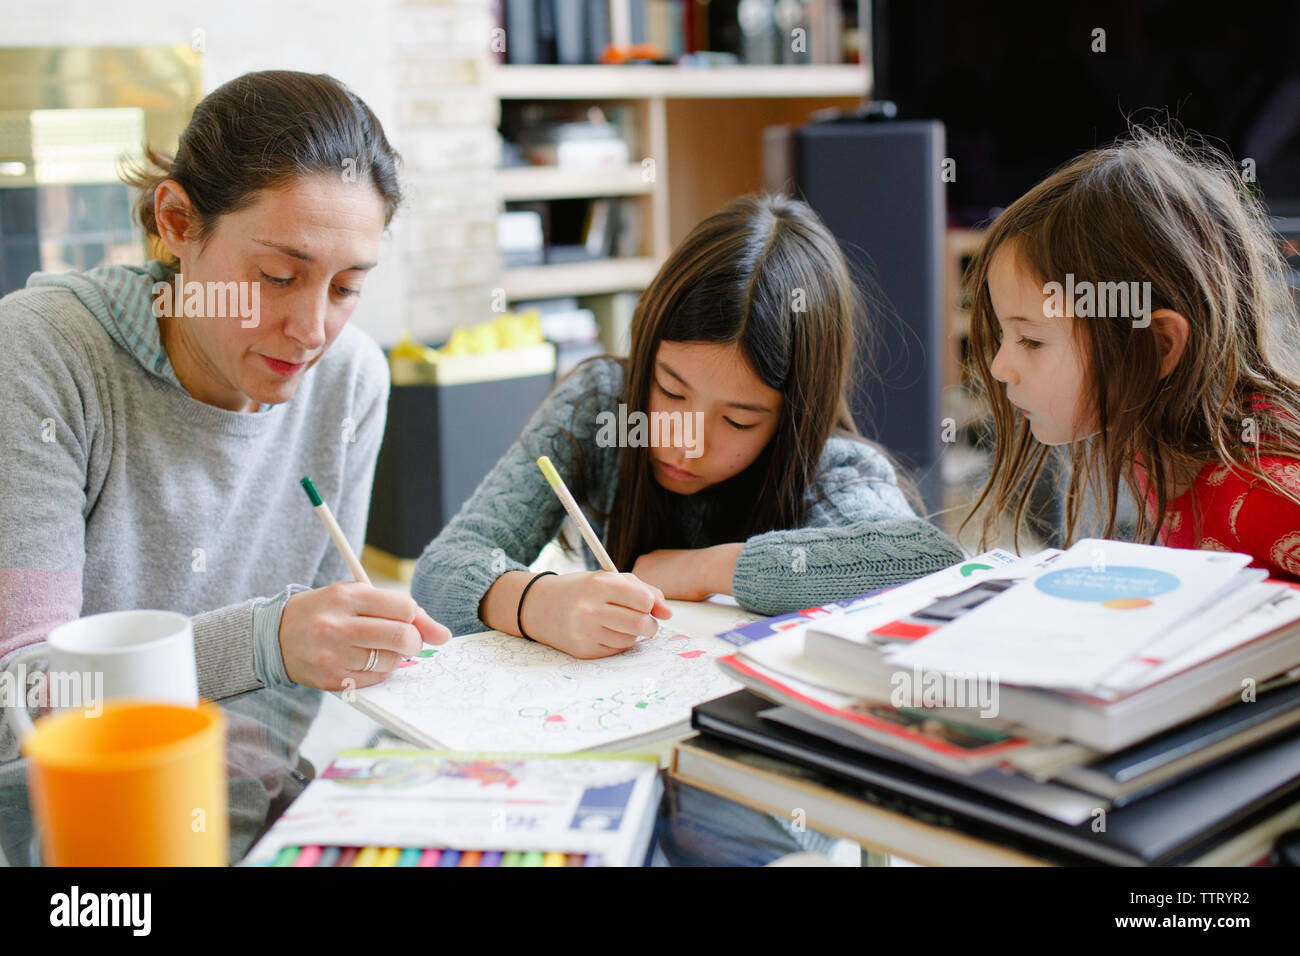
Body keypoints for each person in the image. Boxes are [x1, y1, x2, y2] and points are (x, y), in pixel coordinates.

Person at [0, 70, 449, 763]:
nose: (311, 330)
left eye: (347, 287)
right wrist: (264, 641)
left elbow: (298, 693)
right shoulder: (43, 353)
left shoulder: (350, 378)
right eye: (277, 277)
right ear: (177, 222)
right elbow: (15, 702)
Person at [413, 193, 965, 654]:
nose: (688, 443)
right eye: (671, 390)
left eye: (739, 420)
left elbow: (924, 561)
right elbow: (443, 568)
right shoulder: (600, 405)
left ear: (796, 415)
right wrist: (536, 601)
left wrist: (702, 570)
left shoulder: (828, 463)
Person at [962, 129, 1300, 579]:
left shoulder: (1266, 495)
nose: (1000, 366)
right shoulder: (1150, 440)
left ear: (1158, 344)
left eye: (1033, 341)